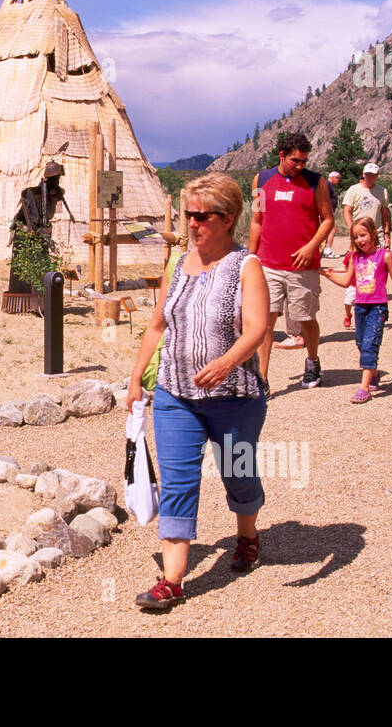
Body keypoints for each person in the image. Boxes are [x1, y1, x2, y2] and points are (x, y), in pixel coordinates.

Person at [127, 172, 269, 608]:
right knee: (178, 481)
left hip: (235, 399)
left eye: (202, 216)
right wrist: (135, 379)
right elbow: (156, 326)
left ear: (227, 218)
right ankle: (172, 581)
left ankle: (247, 535)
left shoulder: (247, 266)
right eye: (189, 214)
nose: (192, 223)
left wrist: (226, 362)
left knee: (238, 474)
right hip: (175, 395)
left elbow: (258, 327)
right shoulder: (177, 264)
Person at [250, 132, 334, 391]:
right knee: (266, 322)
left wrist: (312, 246)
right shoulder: (262, 180)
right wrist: (251, 258)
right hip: (268, 264)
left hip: (302, 267)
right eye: (295, 160)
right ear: (282, 156)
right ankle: (262, 378)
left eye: (304, 161)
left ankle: (312, 360)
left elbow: (328, 219)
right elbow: (256, 220)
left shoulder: (315, 182)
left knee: (305, 318)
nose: (300, 166)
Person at [321, 217, 392, 403]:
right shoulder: (355, 257)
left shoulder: (384, 255)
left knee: (370, 345)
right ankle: (374, 373)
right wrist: (326, 274)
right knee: (361, 344)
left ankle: (364, 388)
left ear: (373, 234)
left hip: (377, 308)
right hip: (360, 307)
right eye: (356, 237)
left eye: (363, 235)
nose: (360, 240)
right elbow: (346, 281)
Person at [7, 160, 75, 295]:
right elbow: (33, 215)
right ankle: (23, 296)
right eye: (55, 178)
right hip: (25, 231)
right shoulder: (32, 193)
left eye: (58, 178)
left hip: (39, 231)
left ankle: (39, 296)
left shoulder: (53, 193)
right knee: (23, 267)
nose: (57, 181)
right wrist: (36, 229)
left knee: (41, 263)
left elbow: (47, 213)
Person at [340, 163, 392, 327]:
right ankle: (356, 300)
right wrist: (351, 229)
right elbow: (347, 211)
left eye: (373, 175)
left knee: (380, 267)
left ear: (377, 176)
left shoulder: (382, 191)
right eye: (368, 174)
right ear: (363, 174)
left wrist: (387, 233)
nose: (370, 178)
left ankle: (378, 303)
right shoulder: (354, 190)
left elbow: (385, 213)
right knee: (356, 266)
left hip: (376, 233)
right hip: (359, 235)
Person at [323, 170, 342, 258]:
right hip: (327, 212)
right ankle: (328, 250)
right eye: (338, 178)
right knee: (332, 230)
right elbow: (324, 198)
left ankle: (324, 250)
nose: (338, 180)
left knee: (327, 231)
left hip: (328, 212)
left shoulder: (329, 185)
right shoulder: (327, 185)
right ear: (333, 177)